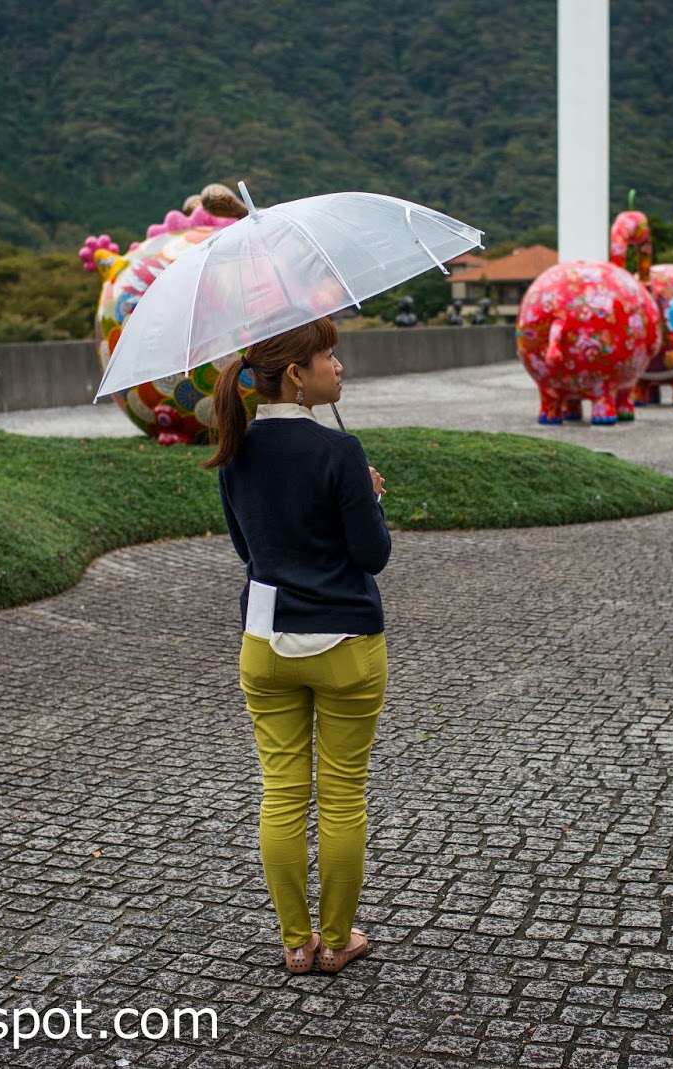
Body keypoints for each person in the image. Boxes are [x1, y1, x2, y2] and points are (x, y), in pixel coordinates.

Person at [202, 317, 390, 975]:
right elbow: (372, 554)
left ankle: (295, 942)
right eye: (328, 356)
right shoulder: (341, 453)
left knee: (281, 793)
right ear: (295, 374)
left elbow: (248, 551)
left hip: (265, 645)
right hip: (343, 643)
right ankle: (338, 941)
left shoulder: (235, 450)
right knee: (341, 795)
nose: (338, 367)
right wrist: (366, 496)